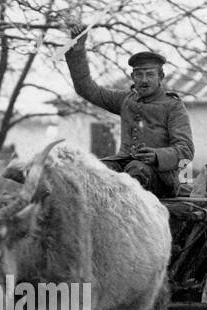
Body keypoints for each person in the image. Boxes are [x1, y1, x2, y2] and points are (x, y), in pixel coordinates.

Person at [63, 27, 194, 197]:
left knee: (136, 170)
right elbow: (86, 89)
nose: (144, 80)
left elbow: (186, 150)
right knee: (95, 171)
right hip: (125, 167)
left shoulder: (173, 106)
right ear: (132, 77)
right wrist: (78, 50)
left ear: (161, 77)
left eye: (150, 74)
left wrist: (157, 155)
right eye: (139, 75)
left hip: (161, 178)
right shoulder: (126, 100)